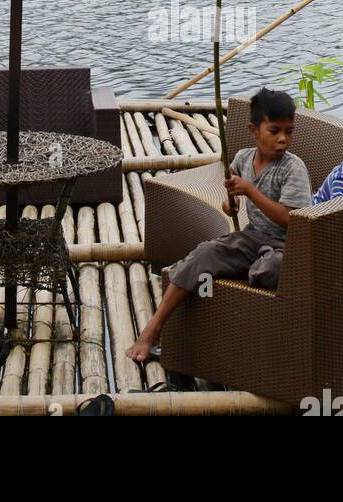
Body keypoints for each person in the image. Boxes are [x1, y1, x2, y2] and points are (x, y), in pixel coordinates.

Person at [126, 88, 311, 362]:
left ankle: (251, 276)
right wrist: (231, 204)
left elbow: (291, 219)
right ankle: (152, 330)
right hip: (251, 238)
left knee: (271, 269)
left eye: (289, 131)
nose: (283, 139)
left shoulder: (293, 168)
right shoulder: (243, 159)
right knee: (202, 254)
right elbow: (231, 197)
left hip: (285, 246)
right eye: (275, 131)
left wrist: (250, 192)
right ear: (254, 130)